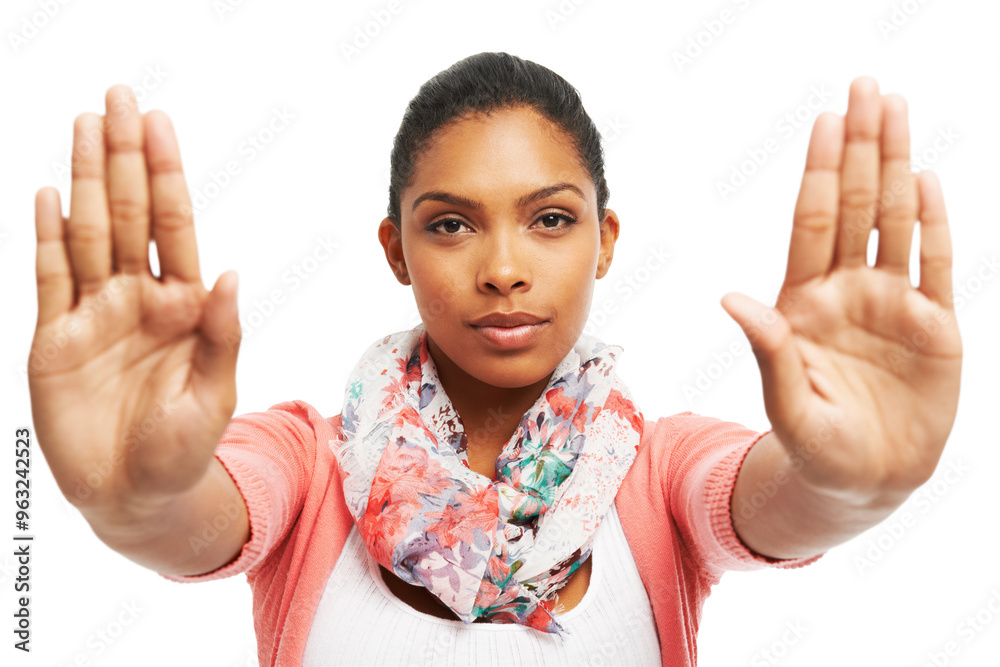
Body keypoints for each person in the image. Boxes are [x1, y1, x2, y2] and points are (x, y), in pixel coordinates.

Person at [28, 52, 962, 666]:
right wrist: (134, 495)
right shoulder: (313, 462)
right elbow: (196, 514)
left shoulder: (657, 466)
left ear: (604, 240)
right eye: (451, 224)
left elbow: (775, 500)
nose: (505, 269)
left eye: (550, 218)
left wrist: (850, 486)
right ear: (396, 250)